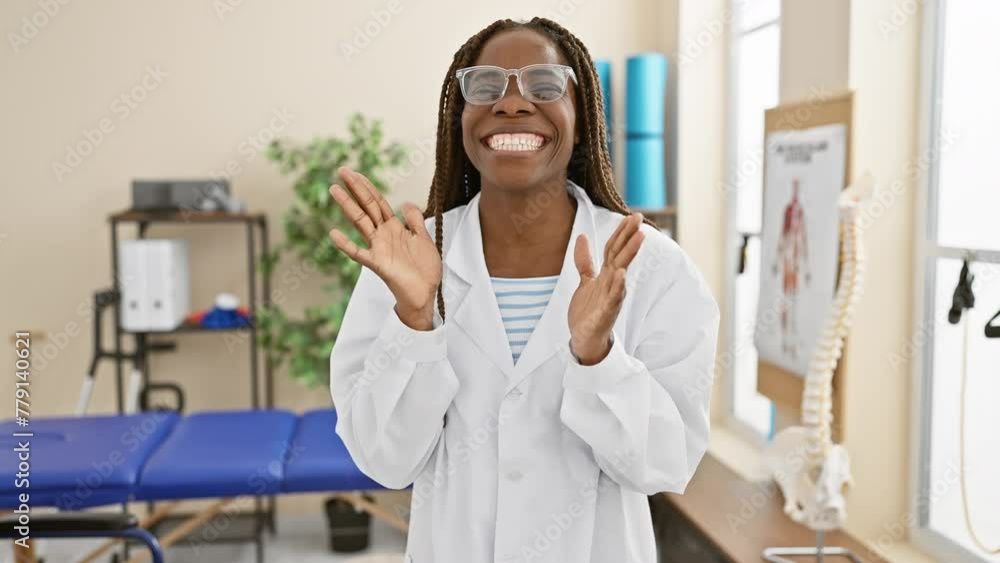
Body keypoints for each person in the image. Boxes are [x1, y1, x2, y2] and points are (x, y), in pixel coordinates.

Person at [327, 17, 719, 563]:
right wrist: (414, 321)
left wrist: (597, 357)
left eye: (544, 85)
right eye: (485, 86)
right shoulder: (408, 264)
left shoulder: (652, 265)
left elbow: (666, 463)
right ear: (459, 119)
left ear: (581, 121)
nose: (512, 103)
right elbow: (382, 460)